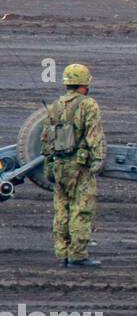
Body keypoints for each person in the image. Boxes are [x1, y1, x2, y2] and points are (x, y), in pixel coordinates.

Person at [40, 63, 105, 267]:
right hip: (79, 166)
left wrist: (49, 163)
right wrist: (97, 160)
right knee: (81, 209)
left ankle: (62, 253)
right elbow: (94, 135)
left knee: (62, 209)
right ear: (84, 83)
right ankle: (77, 254)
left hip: (58, 165)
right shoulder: (88, 105)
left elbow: (45, 139)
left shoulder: (54, 106)